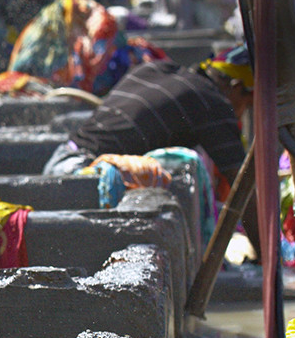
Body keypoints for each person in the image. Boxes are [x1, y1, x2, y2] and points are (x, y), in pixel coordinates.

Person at [42, 47, 261, 257]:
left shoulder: (155, 69)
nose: (242, 114)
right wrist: (269, 257)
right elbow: (243, 188)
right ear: (235, 87)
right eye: (247, 105)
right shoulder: (212, 103)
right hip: (90, 177)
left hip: (59, 161)